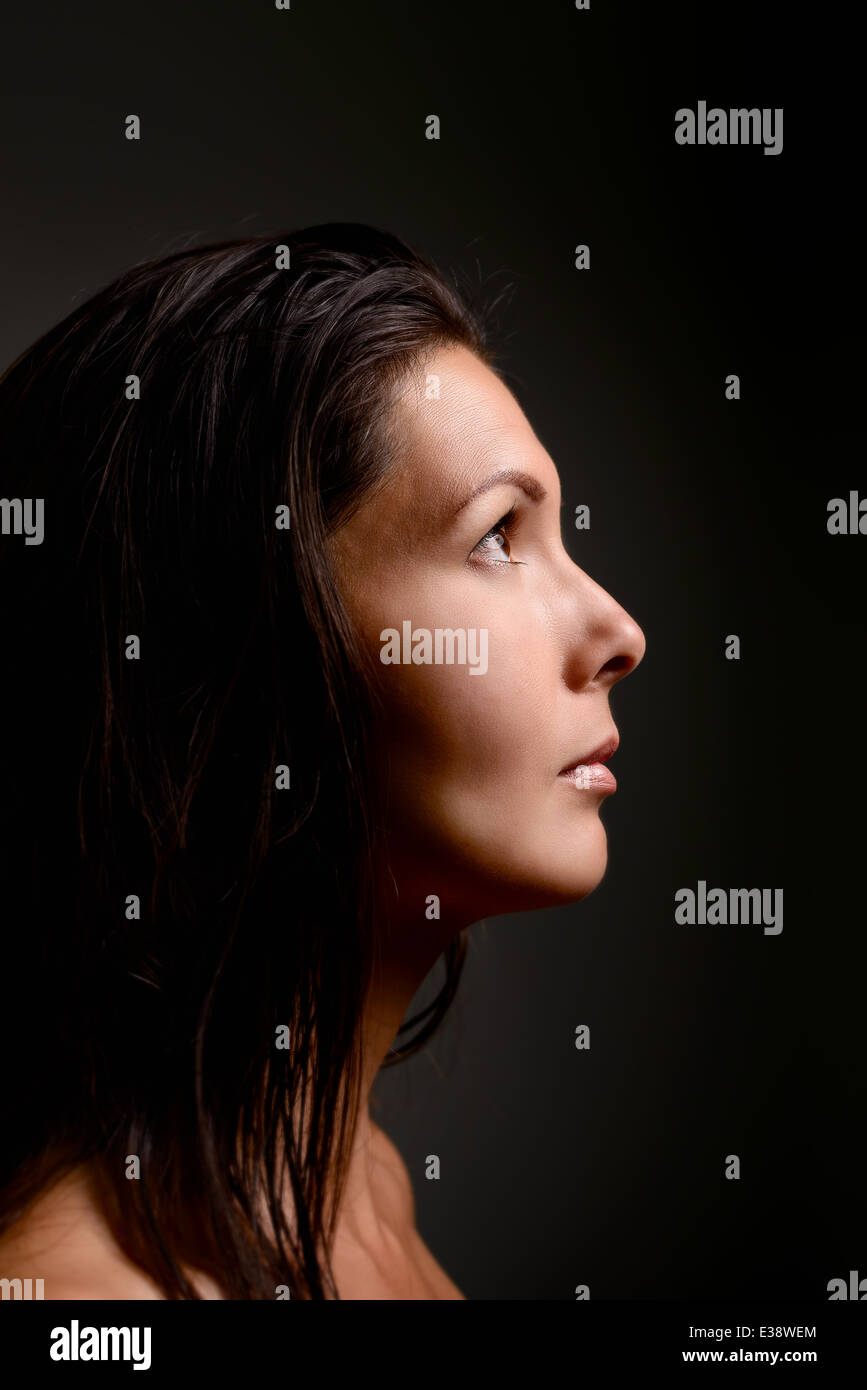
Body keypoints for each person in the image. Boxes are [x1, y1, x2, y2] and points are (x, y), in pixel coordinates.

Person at [0, 223, 645, 1299]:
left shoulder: (370, 1190)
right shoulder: (83, 1298)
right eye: (496, 537)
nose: (620, 632)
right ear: (250, 649)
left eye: (561, 538)